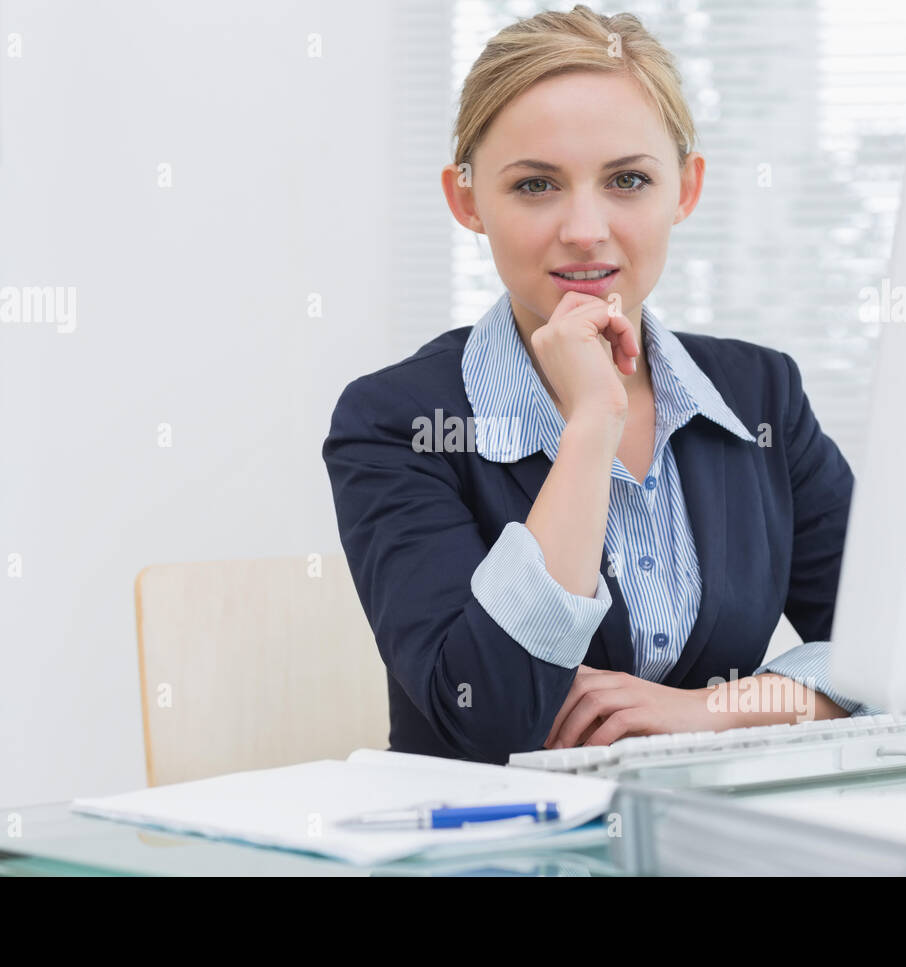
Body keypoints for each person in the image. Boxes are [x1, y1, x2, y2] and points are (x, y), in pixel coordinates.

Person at [322, 5, 874, 766]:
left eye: (627, 179)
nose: (585, 227)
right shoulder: (397, 420)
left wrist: (713, 709)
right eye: (537, 184)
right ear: (467, 200)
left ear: (684, 189)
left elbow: (898, 652)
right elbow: (487, 716)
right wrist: (590, 427)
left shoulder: (760, 397)